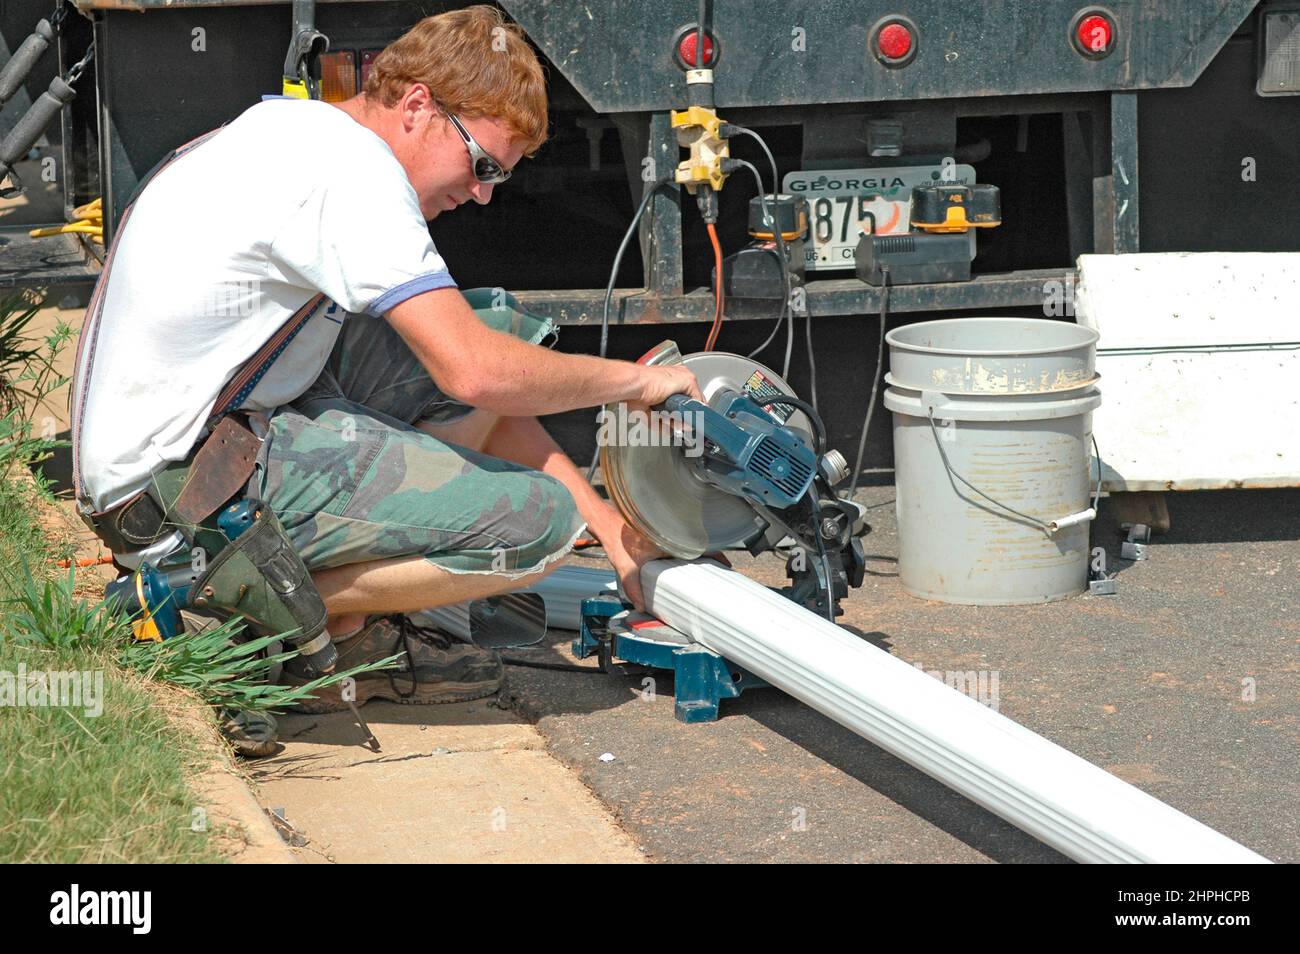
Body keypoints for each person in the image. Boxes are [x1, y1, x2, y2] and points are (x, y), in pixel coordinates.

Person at [70, 6, 701, 709]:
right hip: (175, 499)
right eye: (482, 163)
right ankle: (227, 612)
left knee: (501, 332)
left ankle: (335, 619)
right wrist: (634, 385)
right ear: (418, 105)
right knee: (540, 526)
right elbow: (477, 374)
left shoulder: (299, 129)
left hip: (194, 445)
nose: (484, 193)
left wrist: (614, 532)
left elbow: (484, 368)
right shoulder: (354, 176)